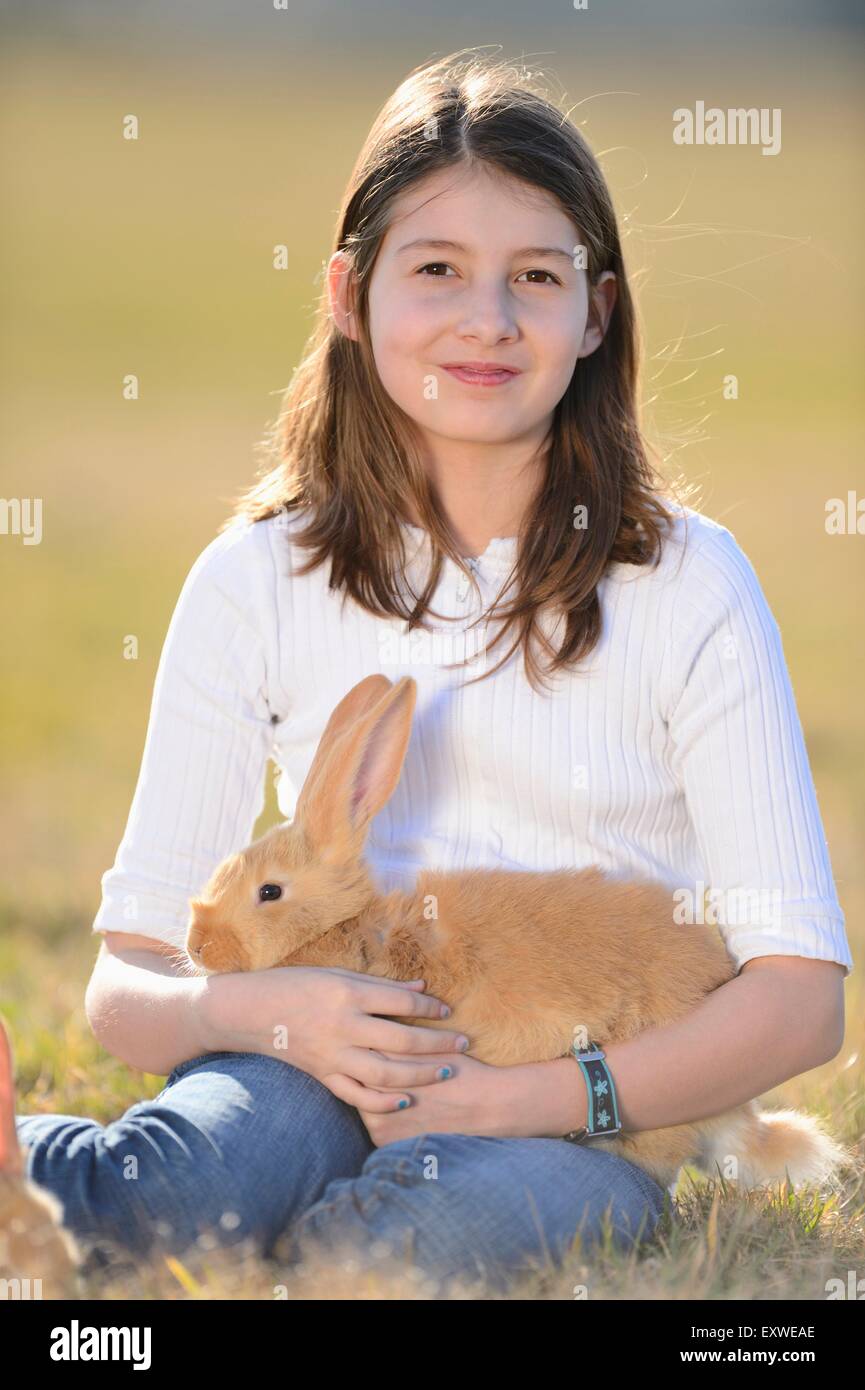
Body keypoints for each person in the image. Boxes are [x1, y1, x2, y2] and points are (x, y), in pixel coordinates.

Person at [11, 50, 851, 1297]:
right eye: (438, 271)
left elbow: (798, 1000)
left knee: (388, 1254)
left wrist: (531, 1095)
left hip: (582, 1100)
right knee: (182, 1197)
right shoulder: (257, 578)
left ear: (596, 311)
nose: (488, 321)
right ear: (350, 295)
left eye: (536, 278)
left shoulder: (687, 583)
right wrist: (267, 1019)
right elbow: (132, 981)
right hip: (304, 1060)